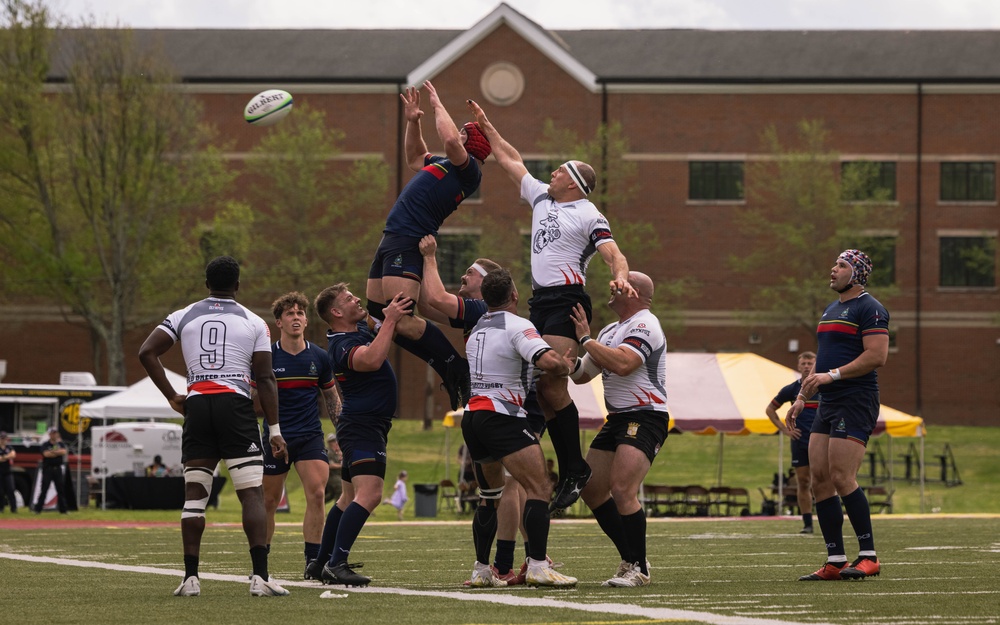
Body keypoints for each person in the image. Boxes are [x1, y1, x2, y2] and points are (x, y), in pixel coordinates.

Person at [468, 98, 637, 514]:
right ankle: (560, 461)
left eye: (561, 169)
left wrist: (619, 274)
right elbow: (510, 159)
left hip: (567, 298)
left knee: (550, 381)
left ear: (575, 183)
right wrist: (488, 128)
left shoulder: (587, 211)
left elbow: (614, 252)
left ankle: (575, 468)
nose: (553, 172)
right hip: (539, 299)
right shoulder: (542, 198)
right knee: (538, 386)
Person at [138, 255, 290, 597]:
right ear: (238, 285)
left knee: (195, 494)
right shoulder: (254, 322)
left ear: (206, 284)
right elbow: (265, 378)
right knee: (250, 492)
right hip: (234, 406)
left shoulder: (183, 315)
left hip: (197, 404)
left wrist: (173, 396)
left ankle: (190, 578)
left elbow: (147, 352)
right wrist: (275, 429)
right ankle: (259, 577)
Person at [365, 80, 493, 411]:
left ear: (470, 143)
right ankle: (449, 369)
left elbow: (451, 137)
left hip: (409, 240)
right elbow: (412, 156)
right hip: (392, 237)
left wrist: (438, 104)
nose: (457, 134)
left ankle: (455, 367)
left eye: (464, 133)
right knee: (379, 317)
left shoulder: (469, 171)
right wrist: (413, 120)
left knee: (400, 318)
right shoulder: (444, 164)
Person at [460, 268, 577, 587]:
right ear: (514, 295)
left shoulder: (477, 328)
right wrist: (565, 364)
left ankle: (482, 570)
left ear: (485, 299)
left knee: (489, 495)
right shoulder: (519, 326)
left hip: (473, 417)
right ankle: (538, 564)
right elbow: (545, 360)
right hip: (503, 416)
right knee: (540, 486)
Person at [787, 249, 889, 582]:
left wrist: (832, 376)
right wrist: (803, 395)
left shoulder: (869, 308)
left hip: (855, 400)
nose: (833, 269)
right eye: (834, 264)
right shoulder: (831, 308)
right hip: (828, 402)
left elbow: (877, 356)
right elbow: (821, 361)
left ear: (857, 273)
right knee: (820, 481)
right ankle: (835, 560)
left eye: (841, 265)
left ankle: (869, 556)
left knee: (843, 477)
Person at [307, 284, 412, 586]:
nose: (357, 300)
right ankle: (337, 563)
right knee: (371, 494)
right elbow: (371, 360)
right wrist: (389, 320)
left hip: (363, 424)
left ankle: (320, 562)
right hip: (363, 425)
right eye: (349, 299)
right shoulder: (341, 343)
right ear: (337, 312)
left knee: (348, 497)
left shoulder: (353, 332)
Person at [569, 271, 668, 587]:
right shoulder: (611, 329)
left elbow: (624, 364)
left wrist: (586, 338)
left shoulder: (645, 324)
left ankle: (640, 570)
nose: (610, 289)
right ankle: (631, 557)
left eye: (618, 286)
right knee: (592, 488)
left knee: (623, 488)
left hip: (646, 415)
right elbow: (583, 374)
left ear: (635, 292)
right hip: (617, 419)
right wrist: (562, 361)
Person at [253, 291, 341, 579]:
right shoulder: (267, 357)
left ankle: (312, 562)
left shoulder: (319, 356)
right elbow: (253, 399)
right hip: (275, 439)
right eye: (290, 314)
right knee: (268, 501)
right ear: (279, 322)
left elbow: (331, 397)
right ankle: (261, 563)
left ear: (306, 320)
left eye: (300, 313)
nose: (296, 318)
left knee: (317, 494)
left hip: (309, 436)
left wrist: (343, 432)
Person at [765, 351, 818, 534]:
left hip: (821, 441)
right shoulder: (791, 389)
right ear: (798, 366)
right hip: (799, 440)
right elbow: (770, 409)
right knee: (803, 482)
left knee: (823, 481)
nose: (806, 366)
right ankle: (807, 523)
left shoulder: (824, 387)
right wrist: (785, 429)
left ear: (816, 364)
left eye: (810, 363)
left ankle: (829, 519)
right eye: (803, 363)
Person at [33, 428, 68, 514]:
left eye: (55, 433)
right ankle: (38, 509)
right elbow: (46, 454)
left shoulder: (60, 444)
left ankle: (63, 510)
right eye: (52, 433)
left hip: (57, 469)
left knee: (60, 489)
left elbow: (63, 452)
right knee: (44, 489)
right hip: (48, 469)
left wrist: (53, 452)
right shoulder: (45, 444)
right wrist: (56, 452)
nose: (54, 435)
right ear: (49, 435)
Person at [0, 432, 18, 513]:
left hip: (8, 472)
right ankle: (1, 508)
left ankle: (14, 508)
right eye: (2, 438)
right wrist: (7, 456)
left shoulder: (9, 447)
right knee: (1, 491)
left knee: (11, 490)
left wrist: (4, 457)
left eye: (4, 438)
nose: (3, 440)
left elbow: (13, 455)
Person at [325, 433, 343, 504]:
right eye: (333, 441)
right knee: (341, 488)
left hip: (337, 475)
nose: (335, 442)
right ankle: (339, 507)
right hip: (331, 476)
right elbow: (330, 465)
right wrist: (341, 465)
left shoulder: (336, 452)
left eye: (336, 440)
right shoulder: (329, 452)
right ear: (329, 442)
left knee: (331, 495)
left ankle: (317, 503)